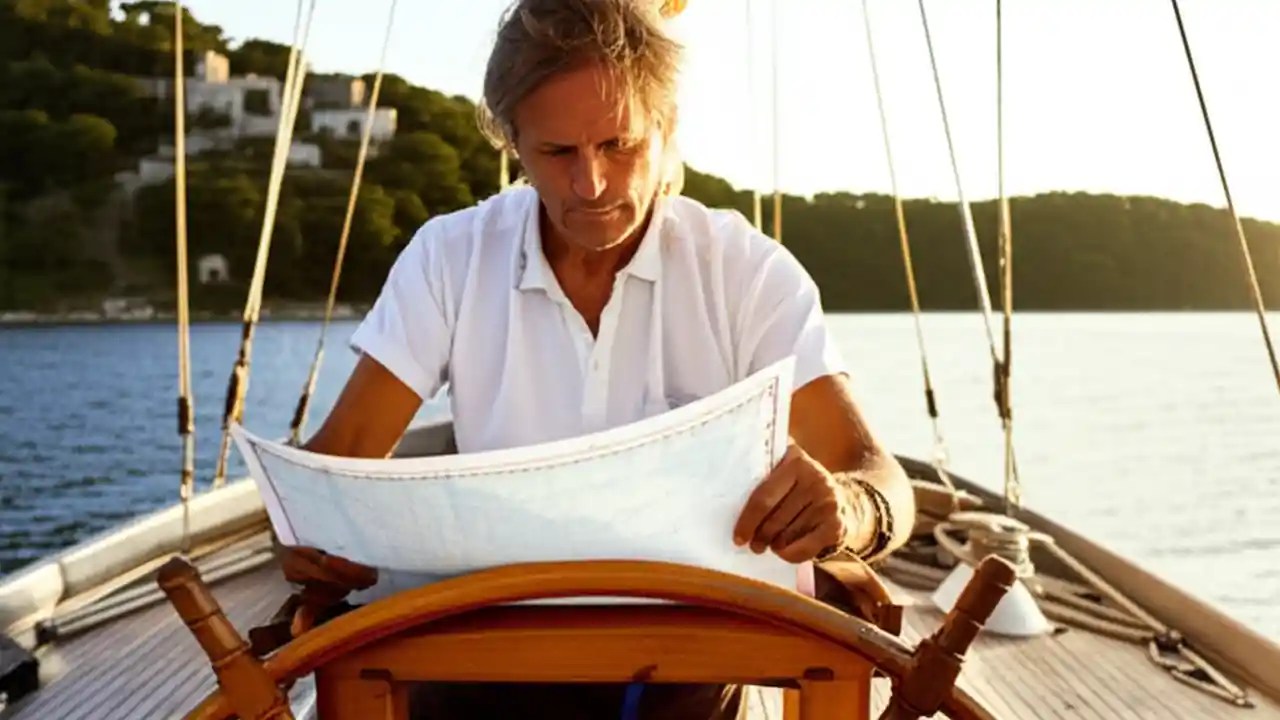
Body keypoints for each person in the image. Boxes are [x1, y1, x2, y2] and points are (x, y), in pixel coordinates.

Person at [298, 0, 916, 716]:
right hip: (479, 668)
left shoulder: (744, 270)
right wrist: (310, 533)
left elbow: (882, 480)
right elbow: (337, 464)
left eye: (619, 145)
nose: (589, 186)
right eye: (557, 153)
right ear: (512, 142)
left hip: (691, 678)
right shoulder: (450, 257)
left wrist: (850, 506)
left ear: (667, 128)